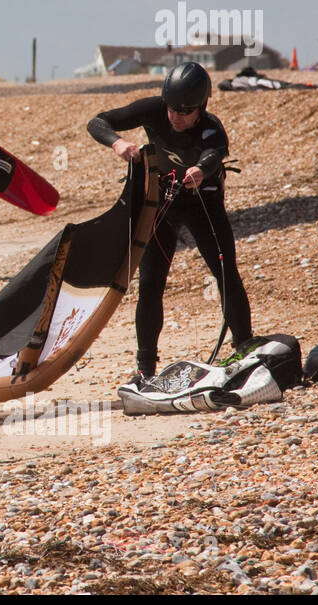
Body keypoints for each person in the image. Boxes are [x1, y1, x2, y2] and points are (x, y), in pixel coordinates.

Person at [87, 61, 252, 379]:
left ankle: (244, 347)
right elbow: (98, 122)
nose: (175, 117)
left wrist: (201, 170)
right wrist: (117, 142)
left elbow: (215, 152)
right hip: (165, 204)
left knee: (226, 274)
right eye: (172, 109)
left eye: (185, 111)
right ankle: (145, 368)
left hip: (204, 205)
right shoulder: (153, 109)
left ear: (201, 107)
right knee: (150, 284)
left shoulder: (211, 127)